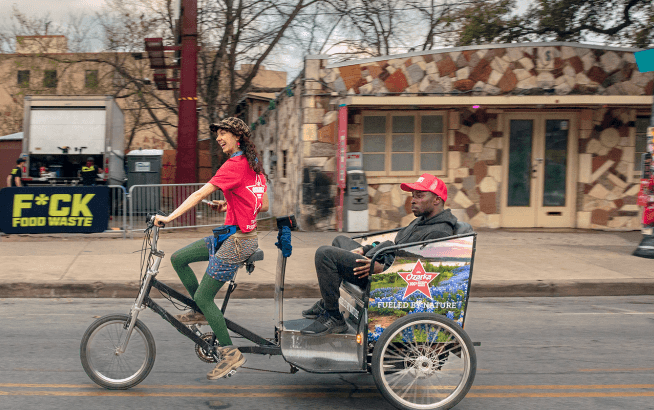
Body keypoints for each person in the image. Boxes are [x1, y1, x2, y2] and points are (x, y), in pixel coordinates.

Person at [153, 117, 268, 380]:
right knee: (179, 258)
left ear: (237, 138)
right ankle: (199, 312)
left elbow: (197, 195)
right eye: (217, 132)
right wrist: (230, 205)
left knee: (205, 296)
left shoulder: (235, 164)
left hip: (239, 242)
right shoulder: (255, 167)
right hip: (229, 235)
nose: (218, 137)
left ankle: (230, 354)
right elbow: (263, 204)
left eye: (224, 132)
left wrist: (169, 219)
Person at [301, 173, 459, 335]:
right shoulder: (423, 221)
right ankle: (329, 302)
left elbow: (418, 269)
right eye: (413, 195)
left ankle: (333, 317)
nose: (412, 200)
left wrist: (380, 268)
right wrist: (367, 249)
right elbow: (395, 244)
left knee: (325, 254)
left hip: (387, 279)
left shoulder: (439, 232)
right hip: (382, 261)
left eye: (419, 196)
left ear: (437, 200)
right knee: (340, 240)